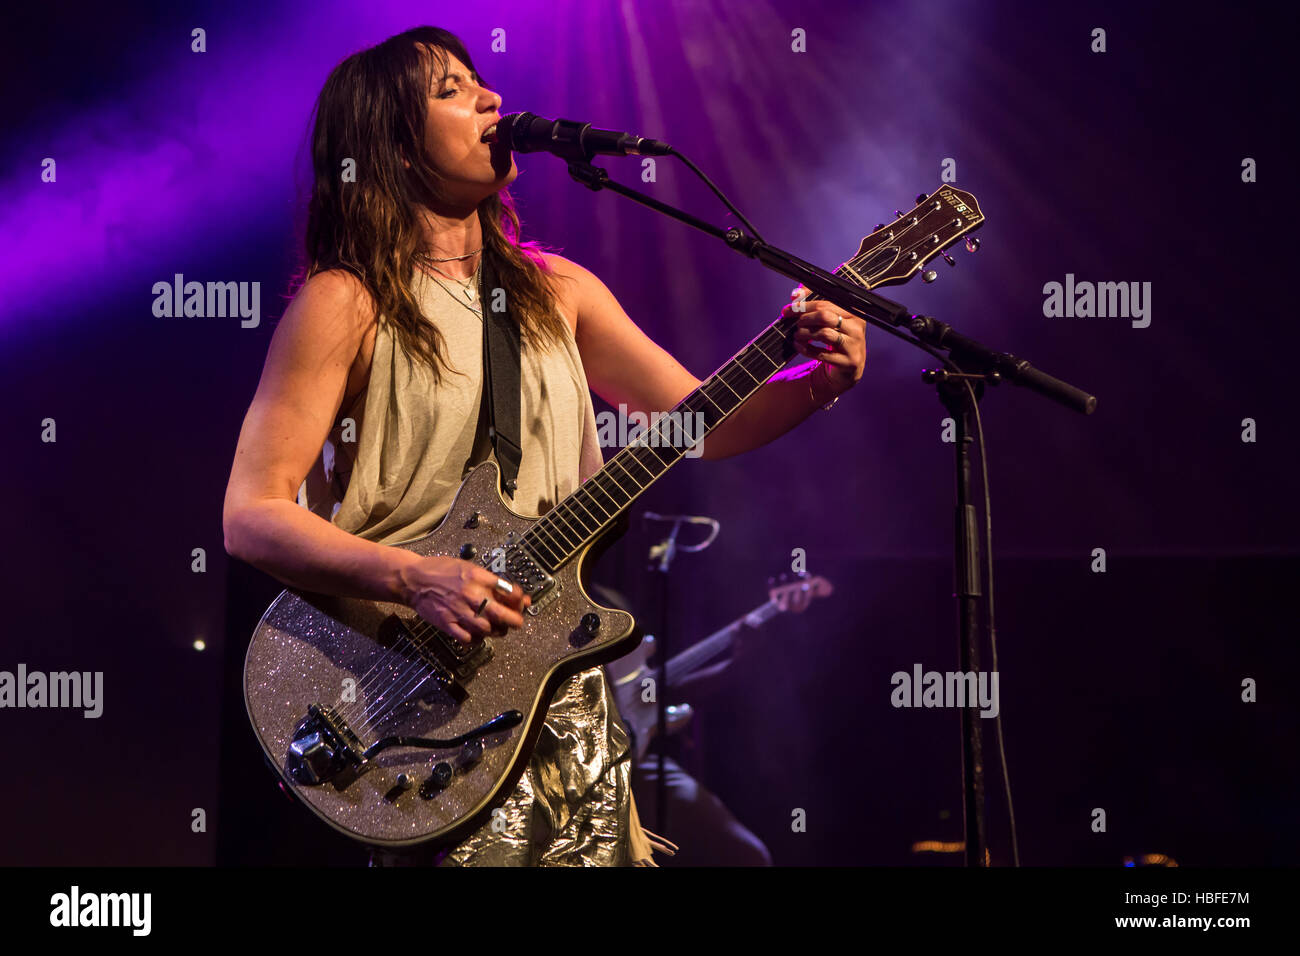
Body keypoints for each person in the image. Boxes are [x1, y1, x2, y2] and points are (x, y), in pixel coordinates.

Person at [221, 25, 867, 867]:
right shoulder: (346, 302)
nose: (491, 97)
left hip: (562, 689)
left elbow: (694, 428)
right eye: (450, 90)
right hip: (417, 699)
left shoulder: (559, 291)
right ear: (391, 143)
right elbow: (252, 514)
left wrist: (818, 379)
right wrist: (414, 576)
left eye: (478, 79)